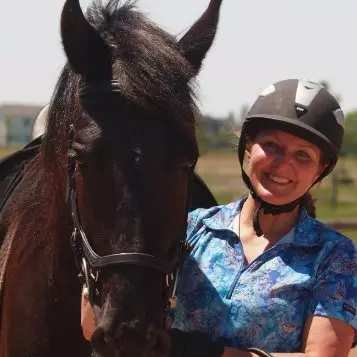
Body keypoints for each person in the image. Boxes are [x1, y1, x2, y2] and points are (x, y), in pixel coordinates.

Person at [81, 79, 357, 357]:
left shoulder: (335, 256)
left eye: (303, 155)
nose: (284, 163)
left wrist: (204, 353)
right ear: (248, 146)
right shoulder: (190, 230)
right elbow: (97, 326)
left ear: (321, 170)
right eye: (272, 145)